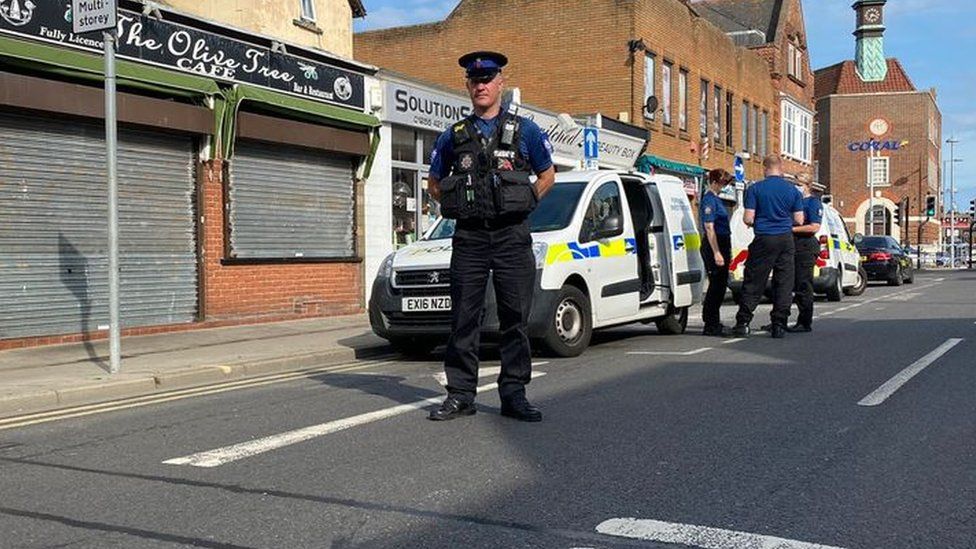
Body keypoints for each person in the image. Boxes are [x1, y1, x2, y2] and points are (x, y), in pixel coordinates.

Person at [426, 51, 556, 422]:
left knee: (515, 318)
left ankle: (514, 395)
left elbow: (547, 176)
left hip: (512, 235)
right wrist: (459, 204)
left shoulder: (526, 131)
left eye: (487, 79)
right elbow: (434, 183)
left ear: (501, 83)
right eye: (474, 80)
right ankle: (460, 395)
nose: (481, 85)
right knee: (463, 318)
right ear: (467, 86)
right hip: (470, 237)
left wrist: (526, 200)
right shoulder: (453, 136)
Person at [732, 155, 804, 339]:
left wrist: (760, 221)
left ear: (765, 168)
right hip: (785, 239)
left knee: (754, 280)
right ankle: (779, 324)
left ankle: (743, 323)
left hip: (764, 237)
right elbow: (799, 219)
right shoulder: (793, 191)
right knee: (784, 282)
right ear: (781, 168)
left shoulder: (755, 189)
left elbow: (748, 218)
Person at [699, 168, 734, 336]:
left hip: (722, 243)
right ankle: (710, 324)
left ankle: (714, 322)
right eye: (722, 183)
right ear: (714, 182)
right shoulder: (709, 200)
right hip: (715, 244)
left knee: (720, 285)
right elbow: (709, 227)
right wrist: (717, 252)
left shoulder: (716, 199)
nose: (724, 187)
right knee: (716, 286)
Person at [787, 173, 822, 332]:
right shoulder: (793, 201)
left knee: (803, 285)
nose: (796, 187)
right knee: (785, 284)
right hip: (791, 245)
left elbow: (814, 227)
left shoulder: (813, 203)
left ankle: (804, 322)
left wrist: (791, 229)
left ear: (807, 185)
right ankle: (780, 319)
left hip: (805, 246)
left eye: (798, 184)